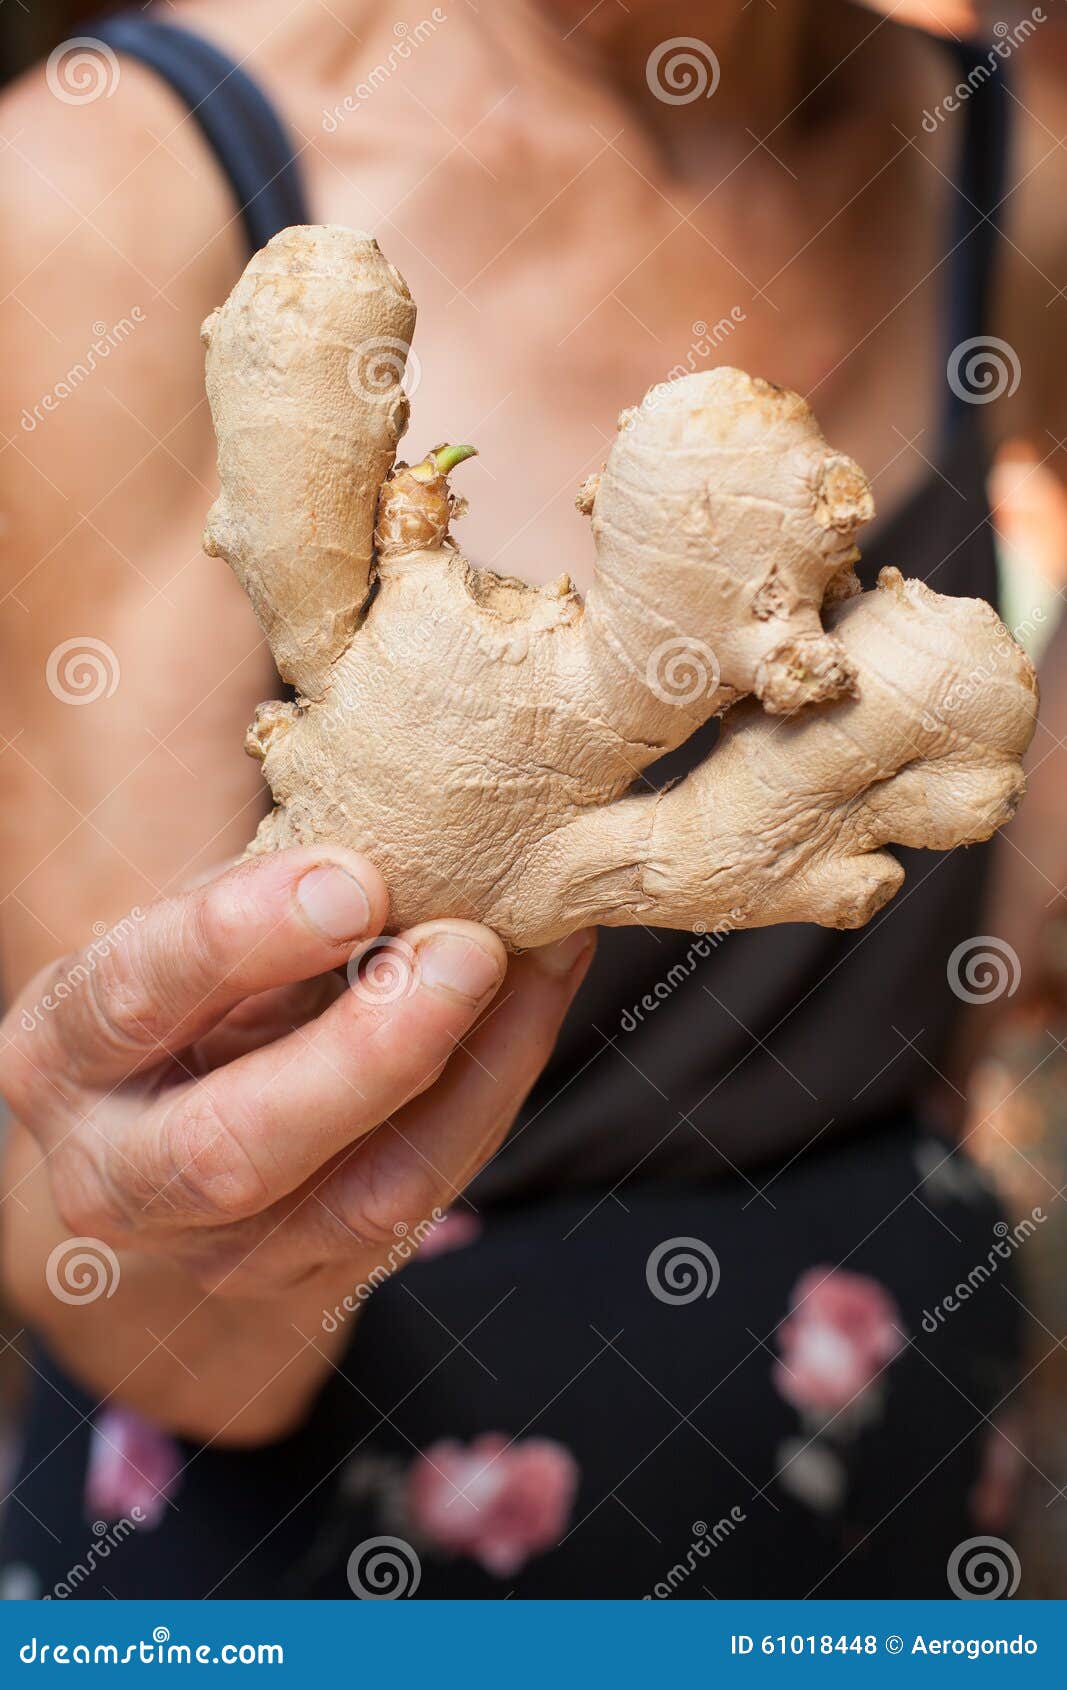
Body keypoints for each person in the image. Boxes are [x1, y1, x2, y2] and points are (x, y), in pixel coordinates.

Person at [0, 0, 1060, 1598]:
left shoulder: (996, 153)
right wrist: (178, 1209)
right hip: (333, 1566)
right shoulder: (106, 200)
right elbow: (149, 1299)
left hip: (897, 1512)